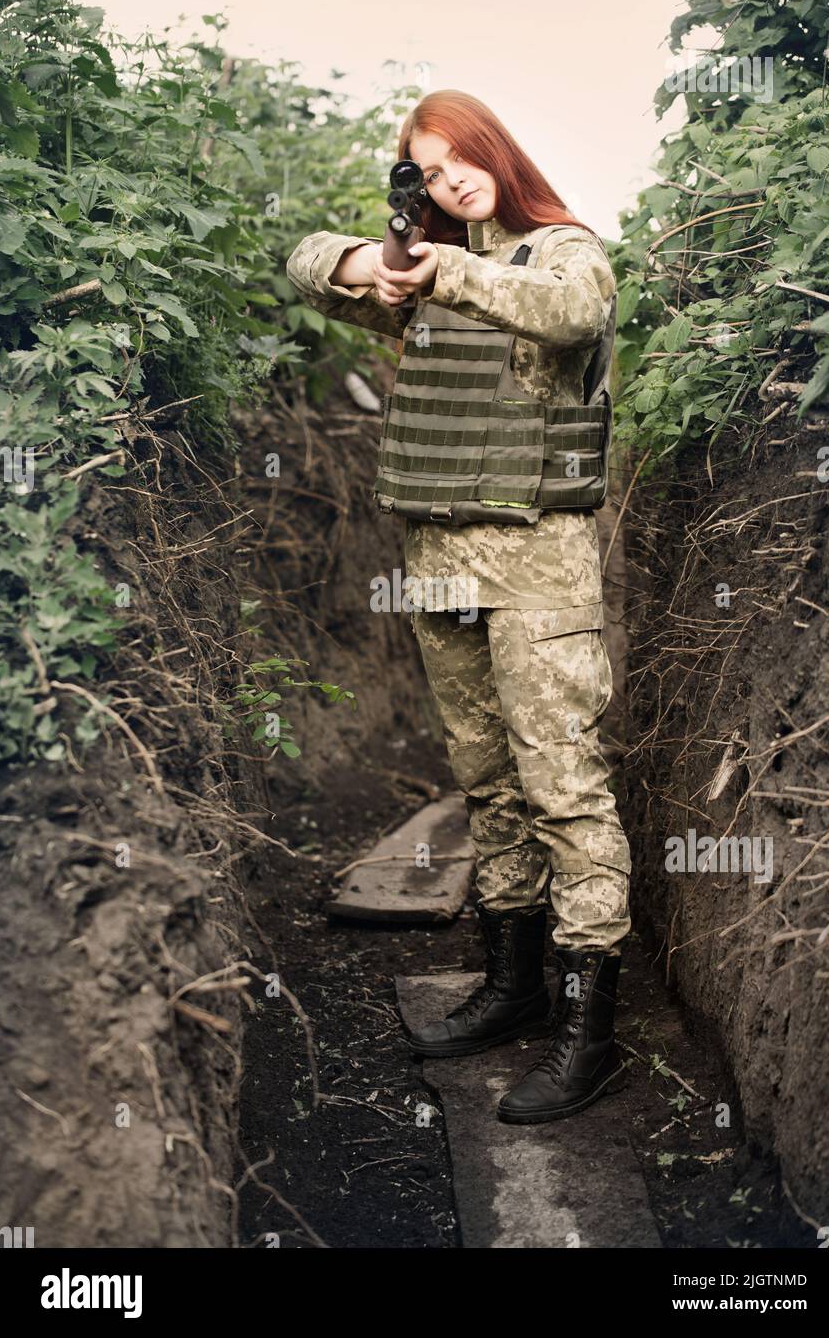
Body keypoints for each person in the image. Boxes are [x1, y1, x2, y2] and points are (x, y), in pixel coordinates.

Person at [286, 89, 631, 1124]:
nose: (445, 184)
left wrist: (451, 266)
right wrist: (371, 263)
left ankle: (587, 1030)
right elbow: (301, 265)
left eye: (456, 163)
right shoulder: (421, 270)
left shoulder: (562, 251)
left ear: (493, 151)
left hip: (535, 560)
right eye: (426, 173)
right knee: (485, 781)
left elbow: (574, 312)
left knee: (561, 787)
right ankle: (513, 981)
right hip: (436, 555)